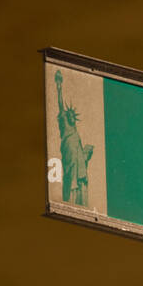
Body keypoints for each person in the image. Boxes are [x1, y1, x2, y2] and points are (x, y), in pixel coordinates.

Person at [54, 69, 94, 206]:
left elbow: (82, 155)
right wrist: (59, 87)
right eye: (69, 115)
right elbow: (60, 105)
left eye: (72, 116)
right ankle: (70, 198)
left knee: (78, 177)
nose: (71, 117)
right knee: (70, 175)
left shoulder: (76, 132)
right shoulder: (64, 123)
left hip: (76, 153)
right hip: (68, 152)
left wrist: (85, 153)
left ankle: (78, 199)